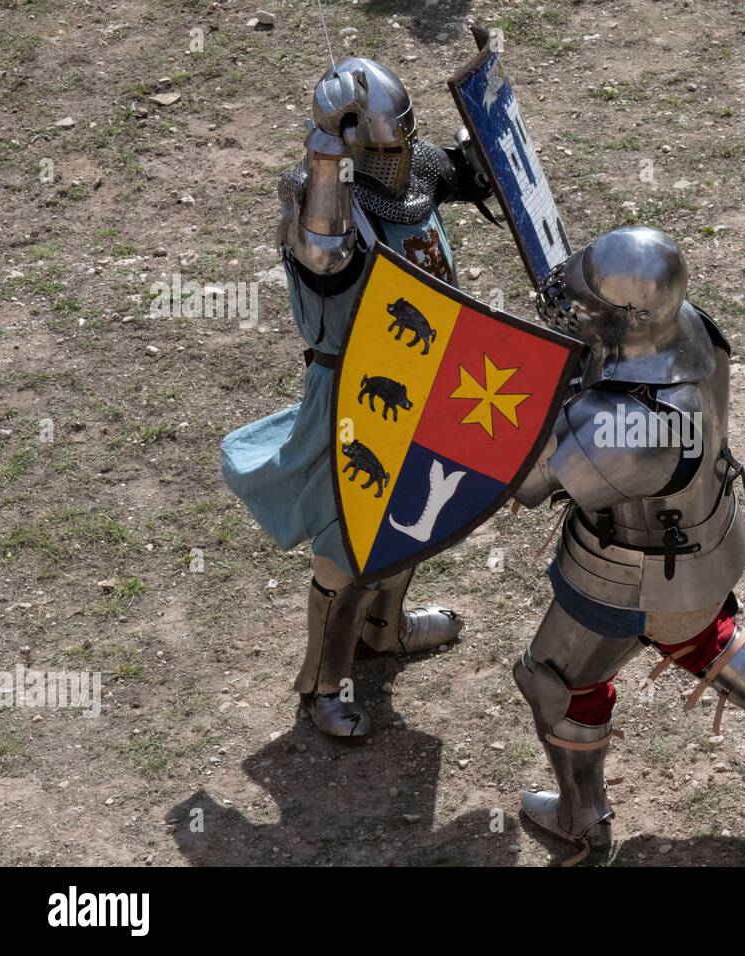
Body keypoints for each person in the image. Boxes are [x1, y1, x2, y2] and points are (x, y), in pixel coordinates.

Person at [510, 226, 745, 851]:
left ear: (631, 316)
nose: (578, 299)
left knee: (553, 679)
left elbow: (525, 482)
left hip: (623, 578)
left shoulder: (624, 424)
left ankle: (579, 817)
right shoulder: (689, 329)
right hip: (707, 550)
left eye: (596, 300)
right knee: (699, 633)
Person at [221, 57, 491, 739]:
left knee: (415, 513)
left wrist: (487, 112)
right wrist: (326, 164)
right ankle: (322, 680)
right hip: (352, 397)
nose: (401, 160)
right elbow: (324, 253)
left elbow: (470, 171)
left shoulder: (412, 171)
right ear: (346, 148)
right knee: (346, 543)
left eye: (405, 142)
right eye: (382, 149)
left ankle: (385, 629)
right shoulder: (320, 209)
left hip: (427, 377)